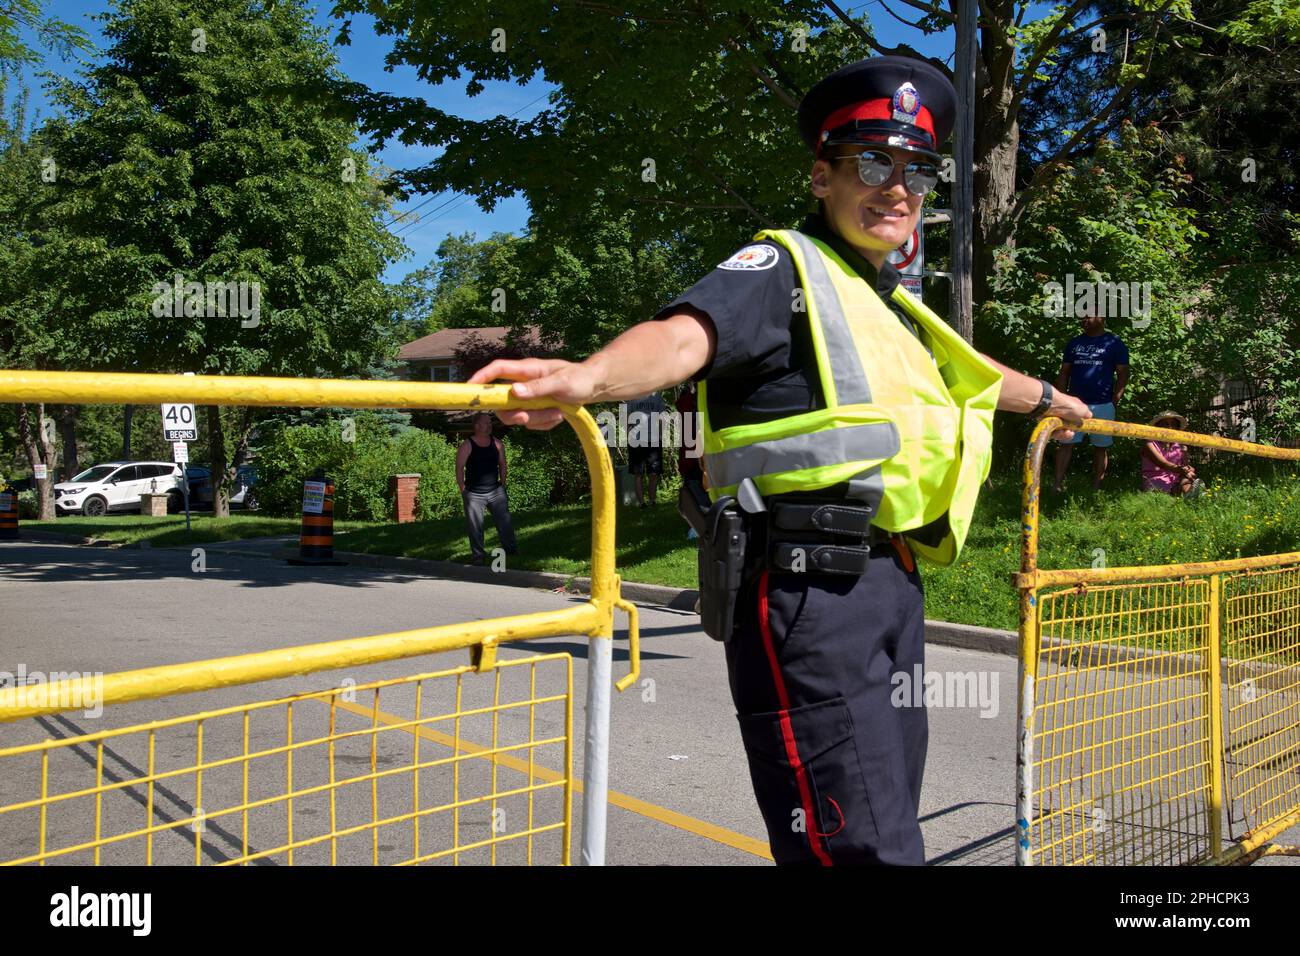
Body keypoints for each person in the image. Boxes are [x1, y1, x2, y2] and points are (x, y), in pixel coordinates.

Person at [471, 55, 1089, 865]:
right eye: (872, 163)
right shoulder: (783, 268)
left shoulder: (891, 306)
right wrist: (589, 377)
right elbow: (684, 338)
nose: (897, 187)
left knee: (889, 825)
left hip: (891, 586)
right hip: (807, 591)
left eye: (917, 171)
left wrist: (1053, 400)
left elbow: (972, 377)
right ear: (821, 176)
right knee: (858, 849)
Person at [1053, 312, 1130, 492]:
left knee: (1100, 447)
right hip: (1075, 404)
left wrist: (1115, 399)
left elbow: (1124, 373)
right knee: (1066, 443)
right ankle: (1057, 484)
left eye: (1089, 316)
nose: (1084, 320)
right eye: (1082, 317)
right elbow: (1064, 372)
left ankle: (1096, 487)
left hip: (1103, 404)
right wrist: (1063, 398)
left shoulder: (1114, 343)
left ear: (1102, 318)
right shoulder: (1074, 343)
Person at [456, 411, 518, 565]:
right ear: (477, 426)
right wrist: (462, 488)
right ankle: (478, 556)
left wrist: (502, 484)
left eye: (490, 423)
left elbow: (503, 464)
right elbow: (459, 467)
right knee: (475, 527)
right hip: (474, 494)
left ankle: (511, 551)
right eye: (486, 423)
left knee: (505, 523)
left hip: (496, 492)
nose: (489, 426)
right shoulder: (467, 445)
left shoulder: (497, 443)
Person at [1141, 411, 1203, 498]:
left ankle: (1192, 495)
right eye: (1165, 424)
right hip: (1155, 480)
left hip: (1175, 479)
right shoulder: (1149, 443)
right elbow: (1162, 463)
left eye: (1173, 424)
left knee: (1186, 480)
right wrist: (1181, 470)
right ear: (1158, 426)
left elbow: (1185, 465)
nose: (1169, 427)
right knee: (1177, 484)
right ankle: (1190, 493)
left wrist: (1189, 470)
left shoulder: (1180, 446)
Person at [623, 391, 667, 507]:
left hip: (653, 439)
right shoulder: (632, 395)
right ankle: (641, 503)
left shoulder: (656, 396)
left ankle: (652, 501)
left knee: (653, 473)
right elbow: (626, 416)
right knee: (638, 473)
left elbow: (663, 417)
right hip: (636, 439)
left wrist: (661, 434)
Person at [675, 383, 702, 540]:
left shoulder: (684, 404)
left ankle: (694, 524)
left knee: (692, 491)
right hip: (698, 456)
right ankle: (697, 525)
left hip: (689, 457)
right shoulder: (697, 402)